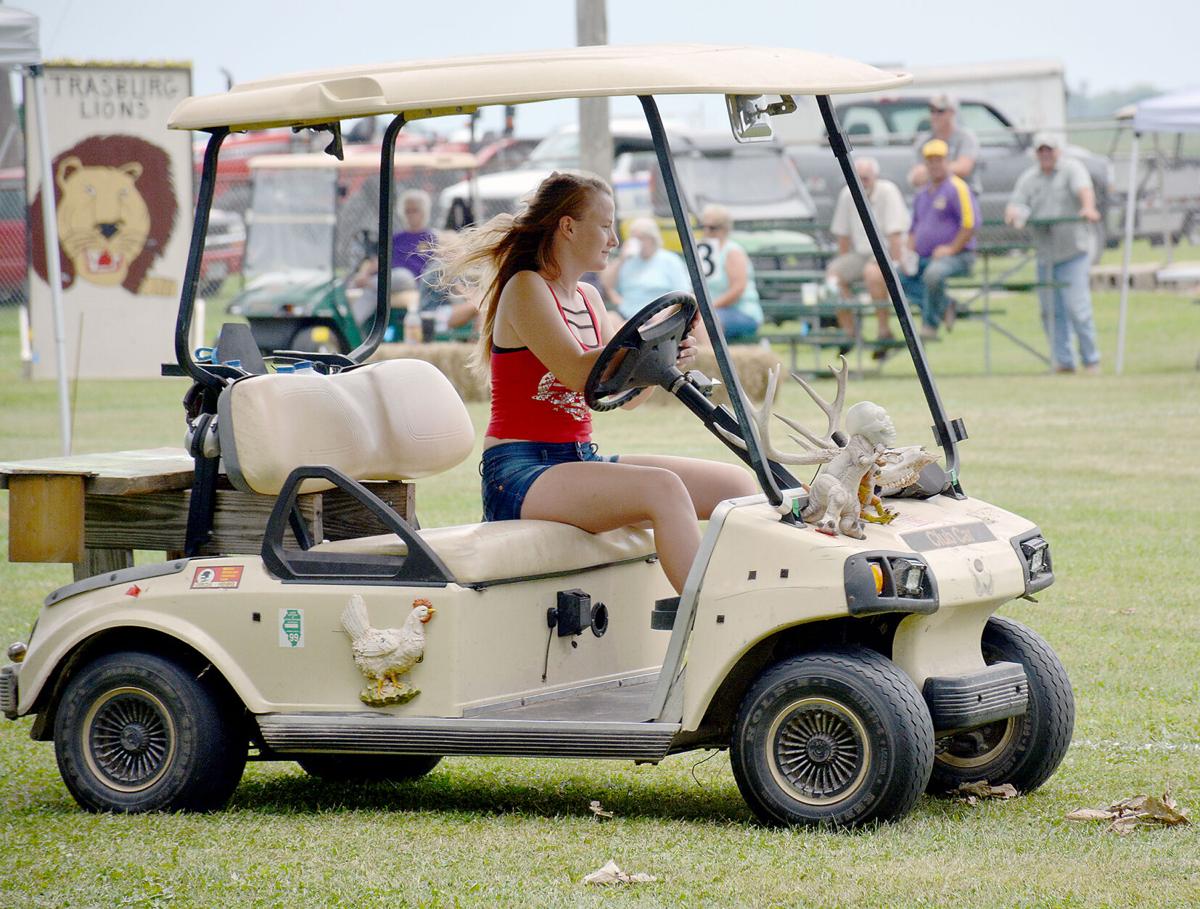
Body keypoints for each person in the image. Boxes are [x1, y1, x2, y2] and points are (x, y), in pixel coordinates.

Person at [436, 172, 757, 595]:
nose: (614, 239)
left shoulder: (590, 299)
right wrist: (646, 343)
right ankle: (717, 613)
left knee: (737, 486)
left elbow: (623, 398)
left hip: (579, 458)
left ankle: (753, 595)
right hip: (522, 471)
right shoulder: (526, 287)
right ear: (568, 227)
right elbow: (577, 370)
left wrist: (662, 361)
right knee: (662, 488)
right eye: (605, 226)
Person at [1005, 131, 1102, 374]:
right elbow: (1016, 202)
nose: (1045, 154)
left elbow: (1084, 190)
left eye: (1049, 149)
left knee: (1077, 307)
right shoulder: (1029, 177)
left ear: (1058, 151)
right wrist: (1013, 213)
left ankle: (1091, 360)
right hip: (1045, 255)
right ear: (1036, 153)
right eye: (1041, 150)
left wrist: (1088, 208)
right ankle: (1064, 362)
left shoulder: (1072, 169)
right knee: (1051, 311)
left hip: (1072, 251)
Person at [825, 156, 911, 357]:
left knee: (872, 273)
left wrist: (897, 266)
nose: (862, 182)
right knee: (833, 275)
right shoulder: (847, 195)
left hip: (887, 251)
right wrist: (842, 264)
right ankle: (849, 331)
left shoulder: (888, 192)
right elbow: (843, 235)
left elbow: (895, 235)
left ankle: (883, 331)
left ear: (875, 177)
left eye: (866, 178)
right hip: (861, 253)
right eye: (858, 177)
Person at [901, 139, 978, 340]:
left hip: (959, 256)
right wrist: (907, 256)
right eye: (930, 161)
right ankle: (945, 305)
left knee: (933, 275)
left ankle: (929, 326)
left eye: (939, 160)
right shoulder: (922, 194)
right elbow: (913, 229)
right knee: (896, 277)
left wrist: (951, 249)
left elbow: (970, 224)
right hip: (924, 257)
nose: (935, 165)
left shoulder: (957, 188)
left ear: (947, 161)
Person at [695, 204, 763, 342]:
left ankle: (711, 362)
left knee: (704, 323)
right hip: (712, 310)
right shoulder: (702, 250)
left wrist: (708, 308)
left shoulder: (732, 251)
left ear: (725, 229)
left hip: (741, 312)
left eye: (712, 228)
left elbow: (738, 290)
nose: (707, 231)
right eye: (703, 227)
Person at [601, 217, 689, 320]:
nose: (637, 242)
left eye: (641, 238)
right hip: (628, 315)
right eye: (633, 238)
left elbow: (683, 292)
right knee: (609, 319)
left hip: (659, 314)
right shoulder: (627, 260)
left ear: (652, 238)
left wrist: (665, 314)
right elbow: (607, 285)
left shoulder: (670, 260)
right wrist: (621, 259)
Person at [908, 93, 981, 197]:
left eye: (940, 111)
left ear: (952, 112)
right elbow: (916, 177)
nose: (935, 115)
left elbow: (964, 168)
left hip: (962, 195)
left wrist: (931, 172)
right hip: (933, 196)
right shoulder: (924, 141)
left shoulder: (965, 137)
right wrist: (946, 169)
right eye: (932, 111)